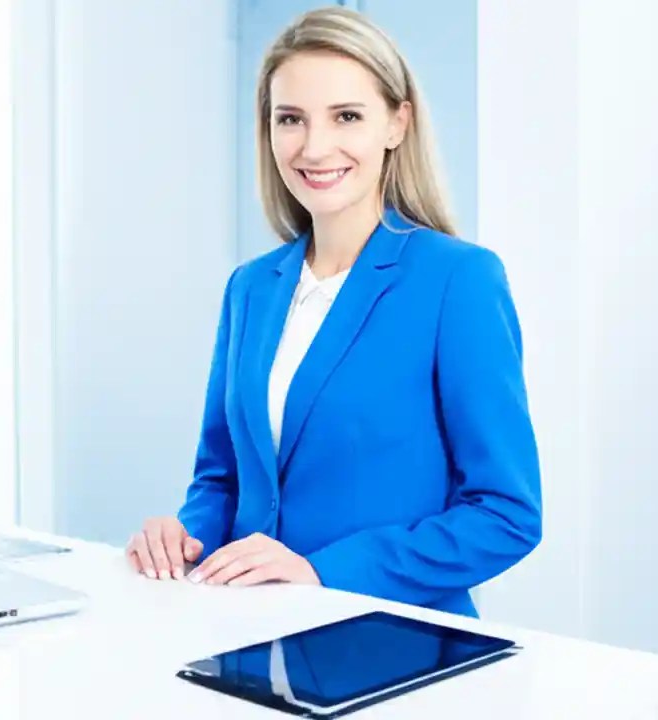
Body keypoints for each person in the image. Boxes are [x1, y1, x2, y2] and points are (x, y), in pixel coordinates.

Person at [126, 6, 542, 618]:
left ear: (397, 123)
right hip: (247, 634)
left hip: (396, 644)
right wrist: (183, 540)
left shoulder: (458, 280)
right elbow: (221, 480)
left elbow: (507, 514)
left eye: (346, 116)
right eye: (290, 119)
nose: (314, 146)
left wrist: (323, 572)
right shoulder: (250, 289)